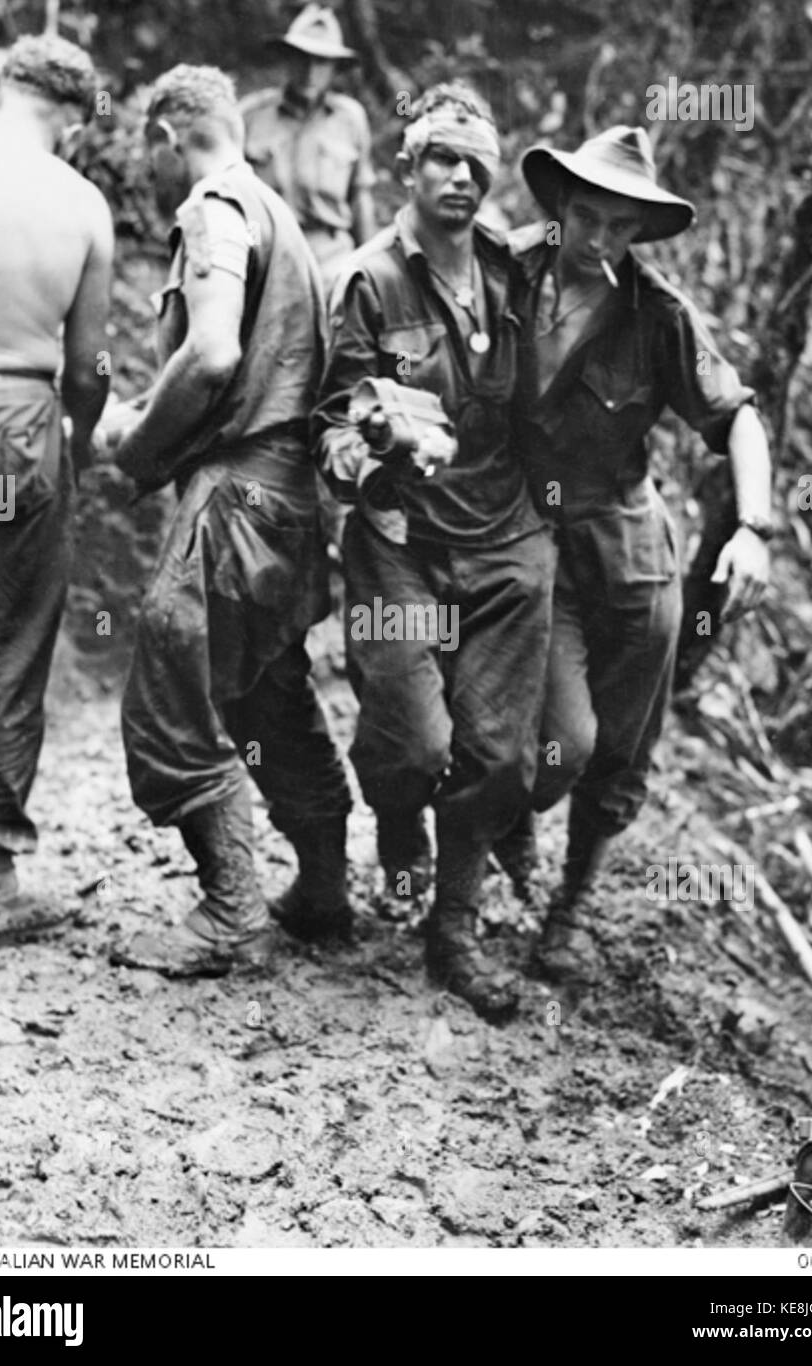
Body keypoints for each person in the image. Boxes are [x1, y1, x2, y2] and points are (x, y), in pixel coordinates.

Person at [98, 64, 352, 979]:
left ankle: (230, 911)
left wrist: (134, 455)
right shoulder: (276, 213)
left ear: (168, 136)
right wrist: (149, 411)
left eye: (145, 150)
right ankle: (323, 891)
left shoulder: (211, 209)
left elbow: (211, 355)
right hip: (283, 496)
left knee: (171, 681)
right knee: (263, 689)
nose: (147, 169)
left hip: (235, 498)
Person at [508, 124, 772, 988]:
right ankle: (508, 818)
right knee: (558, 742)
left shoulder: (656, 315)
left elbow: (735, 415)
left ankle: (569, 912)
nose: (597, 241)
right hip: (530, 549)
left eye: (619, 227)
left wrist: (754, 529)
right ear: (559, 208)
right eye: (585, 217)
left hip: (628, 563)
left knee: (618, 750)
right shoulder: (503, 273)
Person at [313, 84, 557, 1021]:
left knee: (499, 756)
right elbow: (331, 425)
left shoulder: (518, 268)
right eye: (438, 160)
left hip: (505, 543)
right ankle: (396, 825)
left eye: (475, 164)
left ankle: (453, 929)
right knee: (412, 743)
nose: (458, 178)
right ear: (404, 168)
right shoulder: (367, 280)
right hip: (401, 543)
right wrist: (379, 448)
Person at [0, 35, 113, 945]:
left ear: (1, 90)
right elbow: (87, 369)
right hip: (15, 428)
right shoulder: (80, 204)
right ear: (74, 124)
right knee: (4, 647)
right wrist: (74, 436)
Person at [239, 3, 376, 295]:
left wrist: (370, 265)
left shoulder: (350, 119)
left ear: (336, 68)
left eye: (322, 62)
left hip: (330, 255)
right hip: (263, 250)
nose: (311, 71)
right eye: (302, 58)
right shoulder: (252, 115)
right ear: (287, 59)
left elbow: (360, 197)